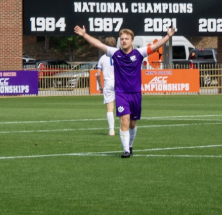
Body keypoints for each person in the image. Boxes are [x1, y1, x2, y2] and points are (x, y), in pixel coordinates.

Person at [75, 24, 176, 158]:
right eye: (121, 39)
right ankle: (125, 150)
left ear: (132, 41)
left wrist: (168, 36)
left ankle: (130, 145)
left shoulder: (139, 53)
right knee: (124, 120)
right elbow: (98, 44)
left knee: (133, 124)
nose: (123, 41)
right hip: (121, 94)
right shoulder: (115, 53)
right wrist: (84, 35)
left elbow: (156, 46)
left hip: (135, 94)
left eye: (126, 39)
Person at [96, 37, 118, 136]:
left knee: (110, 108)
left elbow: (97, 74)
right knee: (123, 106)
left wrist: (100, 86)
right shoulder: (120, 55)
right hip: (120, 82)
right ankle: (125, 128)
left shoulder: (102, 58)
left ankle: (111, 130)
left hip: (108, 83)